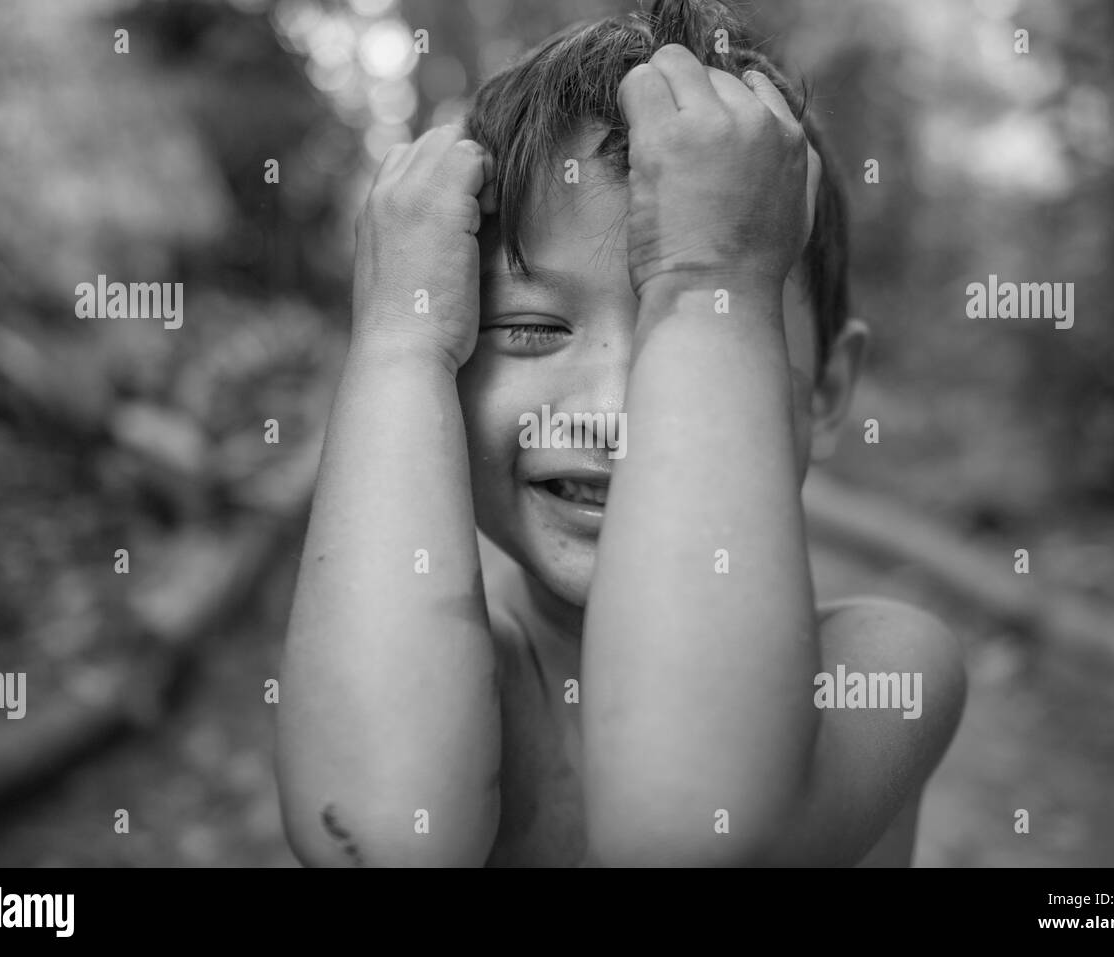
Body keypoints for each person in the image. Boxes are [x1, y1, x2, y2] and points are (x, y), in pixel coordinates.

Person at [277, 0, 966, 867]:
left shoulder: (883, 672)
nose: (611, 407)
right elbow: (372, 836)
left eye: (703, 334)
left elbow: (692, 831)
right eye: (528, 329)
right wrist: (396, 341)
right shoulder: (457, 692)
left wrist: (711, 269)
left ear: (826, 390)